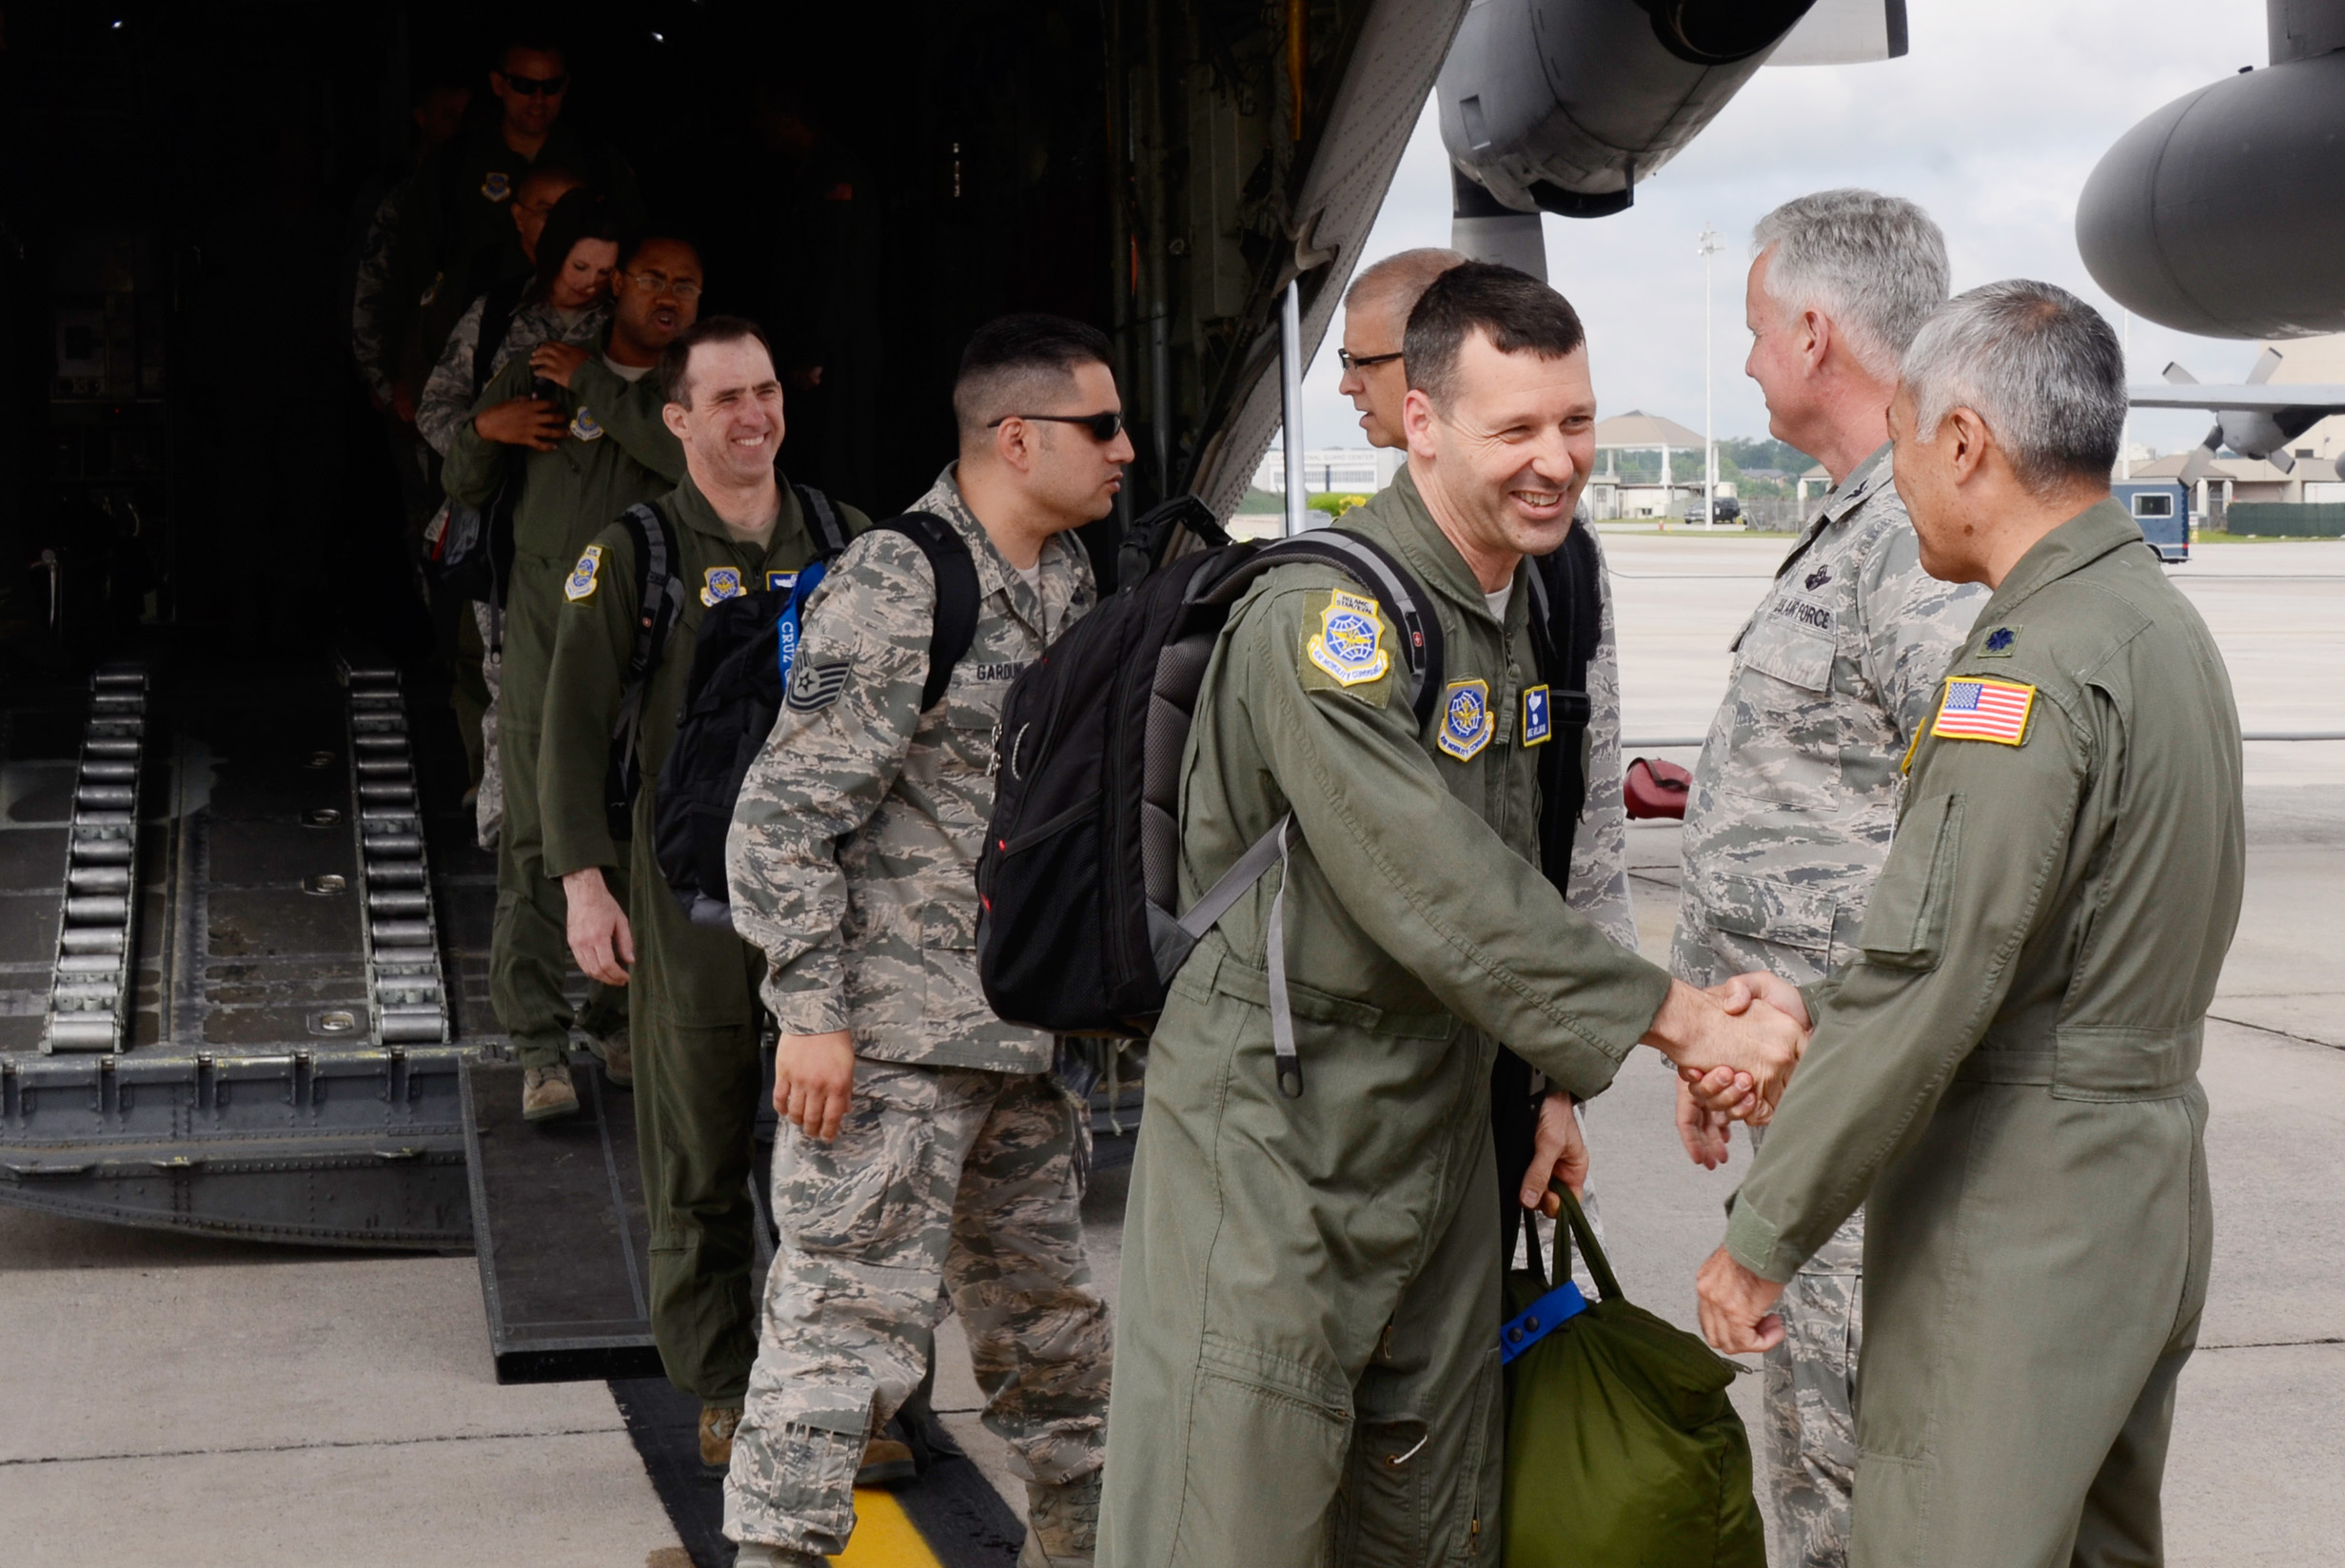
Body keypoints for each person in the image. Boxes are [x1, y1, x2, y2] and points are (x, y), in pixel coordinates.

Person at [1094, 263, 1802, 1568]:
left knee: (1430, 1520)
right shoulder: (1326, 624)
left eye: (1576, 423)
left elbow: (1522, 870)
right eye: (1515, 430)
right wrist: (1683, 1018)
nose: (1557, 462)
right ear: (1422, 422)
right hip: (1279, 1144)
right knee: (1230, 1519)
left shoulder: (1513, 610)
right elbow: (1430, 881)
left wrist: (1544, 1084)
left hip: (1436, 1132)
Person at [1693, 281, 2241, 1568]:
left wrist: (1765, 1231)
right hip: (2145, 1184)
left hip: (2020, 1206)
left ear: (1964, 445)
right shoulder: (2158, 626)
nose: (1896, 470)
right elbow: (2065, 931)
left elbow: (1936, 977)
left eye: (1899, 438)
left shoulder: (2020, 671)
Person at [721, 315, 1124, 1568]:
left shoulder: (1068, 578)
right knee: (841, 1343)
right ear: (1019, 438)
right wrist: (812, 1015)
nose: (1125, 452)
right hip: (888, 1051)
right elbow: (781, 819)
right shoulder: (900, 582)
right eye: (1100, 428)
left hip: (1016, 1042)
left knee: (1054, 1342)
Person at [1667, 189, 1980, 1568]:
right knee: (1811, 1458)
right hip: (1806, 1095)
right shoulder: (1859, 521)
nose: (1743, 365)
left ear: (1811, 331)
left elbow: (1970, 834)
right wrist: (1714, 1034)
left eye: (1752, 333)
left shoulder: (1918, 549)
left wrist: (1798, 1029)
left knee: (1868, 1473)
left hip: (1866, 1107)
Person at [536, 317, 872, 1477]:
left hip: (830, 902)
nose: (753, 416)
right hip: (689, 906)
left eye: (767, 391)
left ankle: (848, 1395)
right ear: (674, 419)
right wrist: (585, 885)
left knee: (848, 1160)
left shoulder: (850, 540)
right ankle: (726, 1389)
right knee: (699, 1155)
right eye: (725, 398)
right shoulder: (632, 554)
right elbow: (569, 731)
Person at [1342, 245, 1642, 1277]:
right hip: (1382, 1100)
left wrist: (1562, 1079)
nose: (1348, 384)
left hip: (1517, 1058)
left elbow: (1580, 829)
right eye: (1517, 430)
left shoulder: (1554, 570)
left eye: (1363, 359)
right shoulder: (1340, 596)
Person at [441, 235, 703, 1121]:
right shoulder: (539, 369)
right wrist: (486, 429)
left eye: (687, 286)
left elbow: (694, 470)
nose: (668, 297)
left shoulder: (690, 392)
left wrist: (595, 388)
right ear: (619, 285)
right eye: (654, 279)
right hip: (544, 641)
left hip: (648, 644)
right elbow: (464, 482)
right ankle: (539, 1049)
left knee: (639, 829)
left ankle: (618, 1016)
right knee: (531, 834)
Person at [416, 183, 615, 830]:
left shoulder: (622, 330)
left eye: (607, 272)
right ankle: (505, 820)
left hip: (590, 528)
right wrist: (490, 433)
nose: (590, 284)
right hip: (499, 523)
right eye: (579, 267)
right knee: (499, 675)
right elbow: (433, 408)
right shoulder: (500, 312)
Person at [384, 33, 641, 402]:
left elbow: (634, 255)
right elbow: (412, 265)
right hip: (467, 341)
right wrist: (400, 372)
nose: (538, 99)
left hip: (581, 342)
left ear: (565, 86)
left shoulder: (597, 163)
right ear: (498, 84)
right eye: (524, 86)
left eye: (551, 87)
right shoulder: (454, 164)